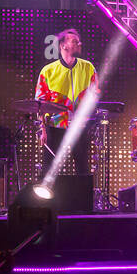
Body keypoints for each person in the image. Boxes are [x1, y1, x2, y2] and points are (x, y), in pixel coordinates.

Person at [35, 28, 101, 177]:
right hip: (55, 126)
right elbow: (39, 104)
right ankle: (49, 200)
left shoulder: (88, 67)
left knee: (83, 168)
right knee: (49, 168)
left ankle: (82, 200)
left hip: (80, 127)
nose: (79, 43)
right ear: (62, 45)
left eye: (78, 41)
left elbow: (95, 95)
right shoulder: (48, 71)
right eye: (73, 41)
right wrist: (43, 129)